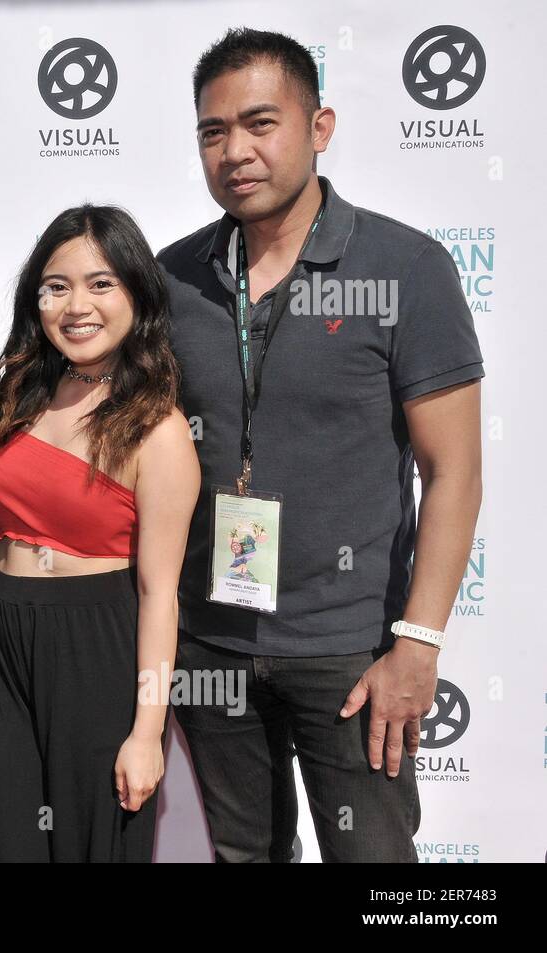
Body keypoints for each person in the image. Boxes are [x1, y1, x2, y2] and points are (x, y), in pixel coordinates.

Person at [157, 28, 483, 862]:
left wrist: (419, 643)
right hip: (211, 644)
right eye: (213, 131)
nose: (236, 151)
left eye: (261, 123)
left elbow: (453, 473)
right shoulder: (173, 277)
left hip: (352, 653)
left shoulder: (405, 266)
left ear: (320, 127)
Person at [0, 205, 199, 862]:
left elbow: (161, 595)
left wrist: (147, 730)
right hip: (11, 635)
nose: (78, 305)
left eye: (102, 284)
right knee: (21, 843)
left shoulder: (157, 430)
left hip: (98, 646)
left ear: (138, 295)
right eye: (58, 285)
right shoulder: (20, 390)